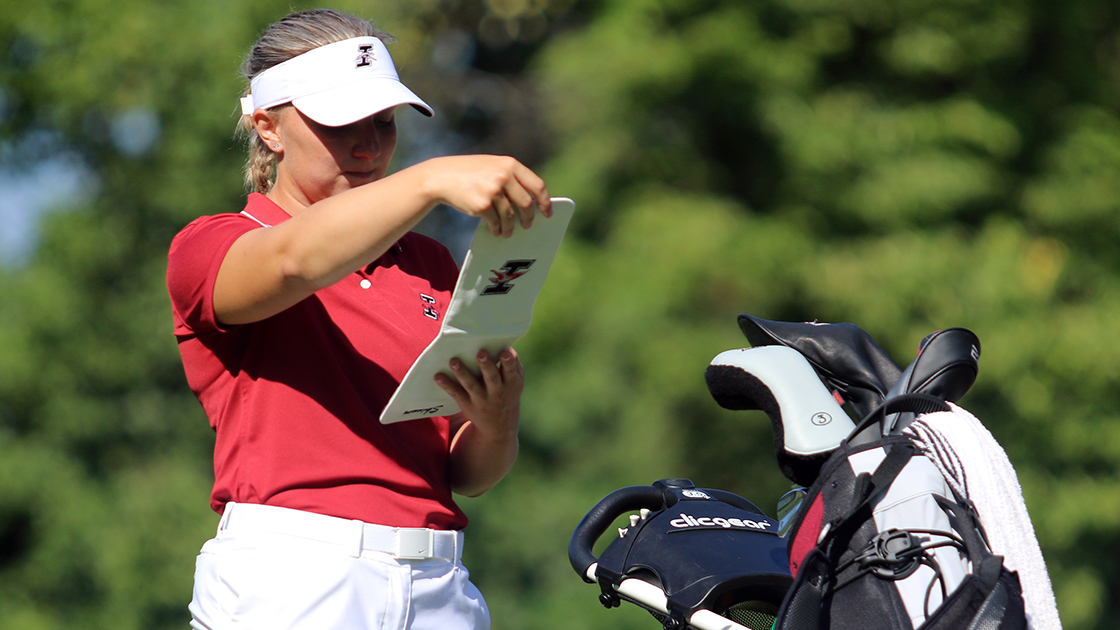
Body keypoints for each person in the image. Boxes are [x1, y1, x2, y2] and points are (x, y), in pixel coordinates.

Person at [166, 8, 552, 629]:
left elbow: (464, 474)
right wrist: (432, 177)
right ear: (268, 127)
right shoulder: (214, 244)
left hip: (439, 580)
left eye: (383, 122)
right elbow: (294, 262)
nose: (370, 146)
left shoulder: (430, 261)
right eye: (341, 125)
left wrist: (497, 423)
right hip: (294, 575)